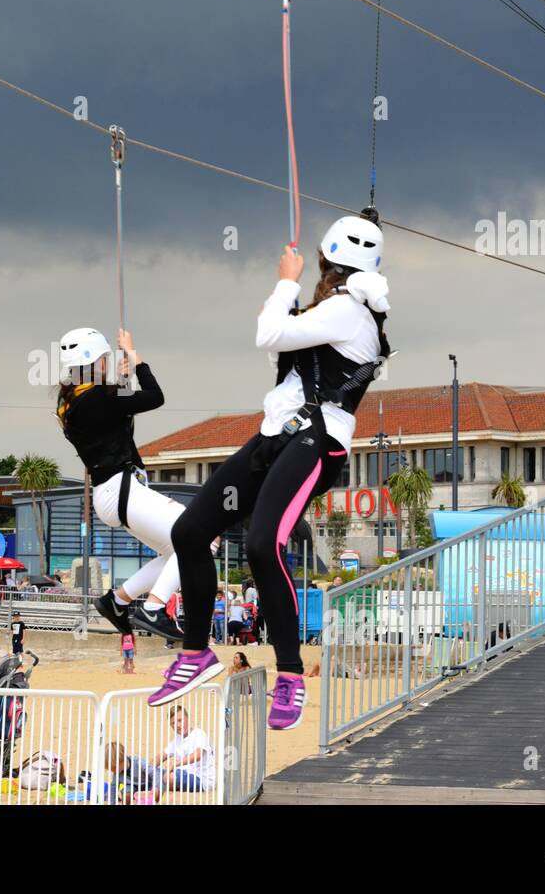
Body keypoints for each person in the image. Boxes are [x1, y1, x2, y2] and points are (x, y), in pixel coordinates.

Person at [153, 216, 390, 732]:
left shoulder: (349, 313)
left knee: (263, 543)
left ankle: (290, 674)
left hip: (316, 441)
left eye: (320, 265)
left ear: (328, 264)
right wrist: (286, 294)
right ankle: (196, 654)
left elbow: (266, 330)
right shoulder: (329, 311)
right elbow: (273, 335)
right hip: (277, 437)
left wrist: (286, 276)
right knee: (188, 533)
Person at [54, 327, 188, 644]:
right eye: (105, 358)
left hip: (114, 493)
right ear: (94, 362)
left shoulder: (72, 403)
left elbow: (115, 419)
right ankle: (154, 609)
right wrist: (134, 356)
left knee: (176, 550)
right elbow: (155, 397)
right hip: (121, 489)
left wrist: (122, 383)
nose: (108, 362)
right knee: (196, 536)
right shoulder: (102, 395)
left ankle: (118, 600)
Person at [158, 705, 215, 794]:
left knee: (170, 777)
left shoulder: (199, 734)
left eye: (180, 720)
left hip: (201, 779)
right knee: (155, 774)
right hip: (182, 774)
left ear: (187, 718)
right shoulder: (177, 740)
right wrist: (147, 768)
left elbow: (197, 755)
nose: (178, 725)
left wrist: (175, 764)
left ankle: (165, 783)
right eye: (173, 723)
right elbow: (160, 757)